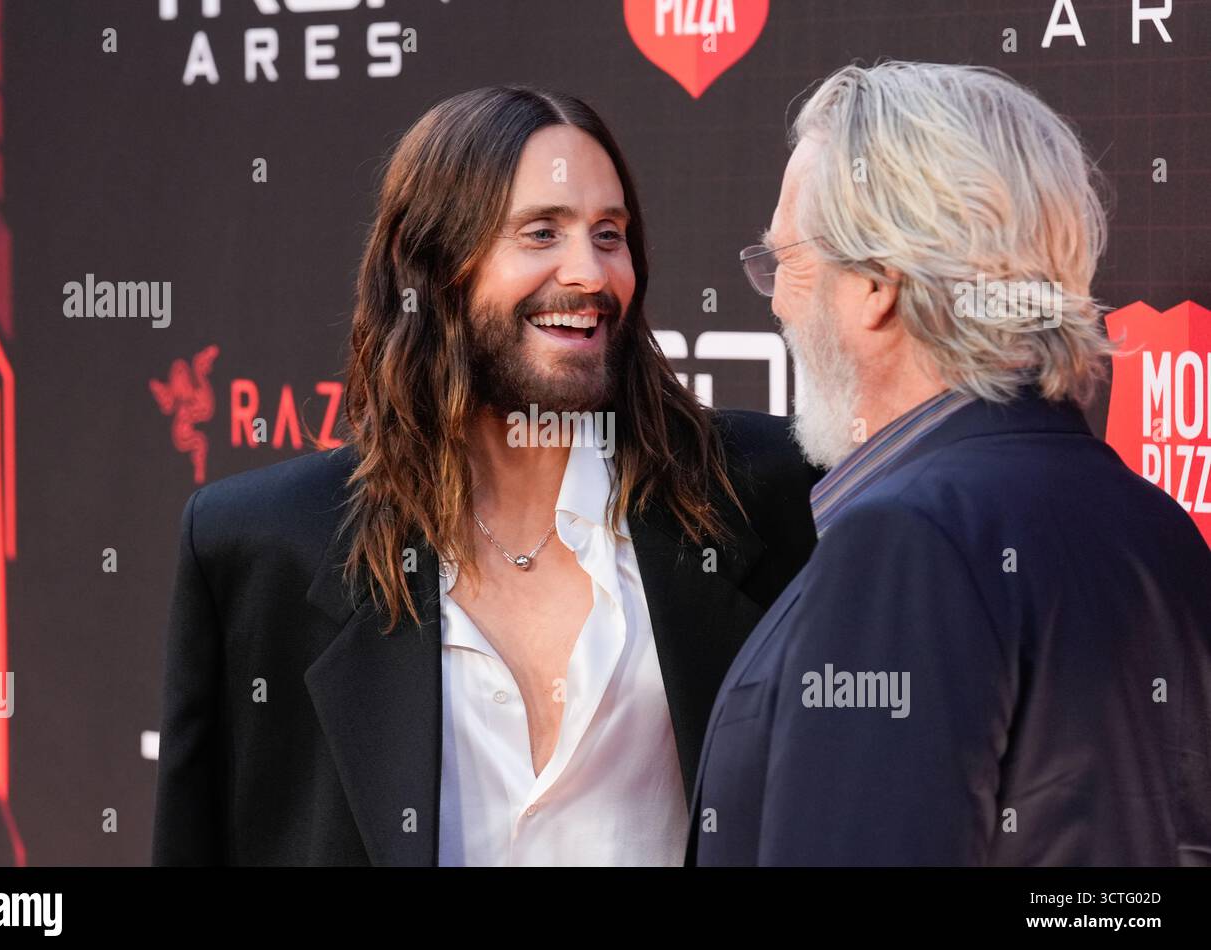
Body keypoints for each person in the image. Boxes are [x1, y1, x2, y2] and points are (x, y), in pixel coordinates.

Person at [152, 86, 820, 866]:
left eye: (610, 234)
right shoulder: (262, 544)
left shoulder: (763, 493)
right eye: (541, 232)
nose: (592, 273)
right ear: (434, 268)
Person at [692, 61, 1211, 866]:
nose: (776, 297)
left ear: (875, 282)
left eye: (785, 259)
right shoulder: (1157, 525)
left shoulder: (905, 543)